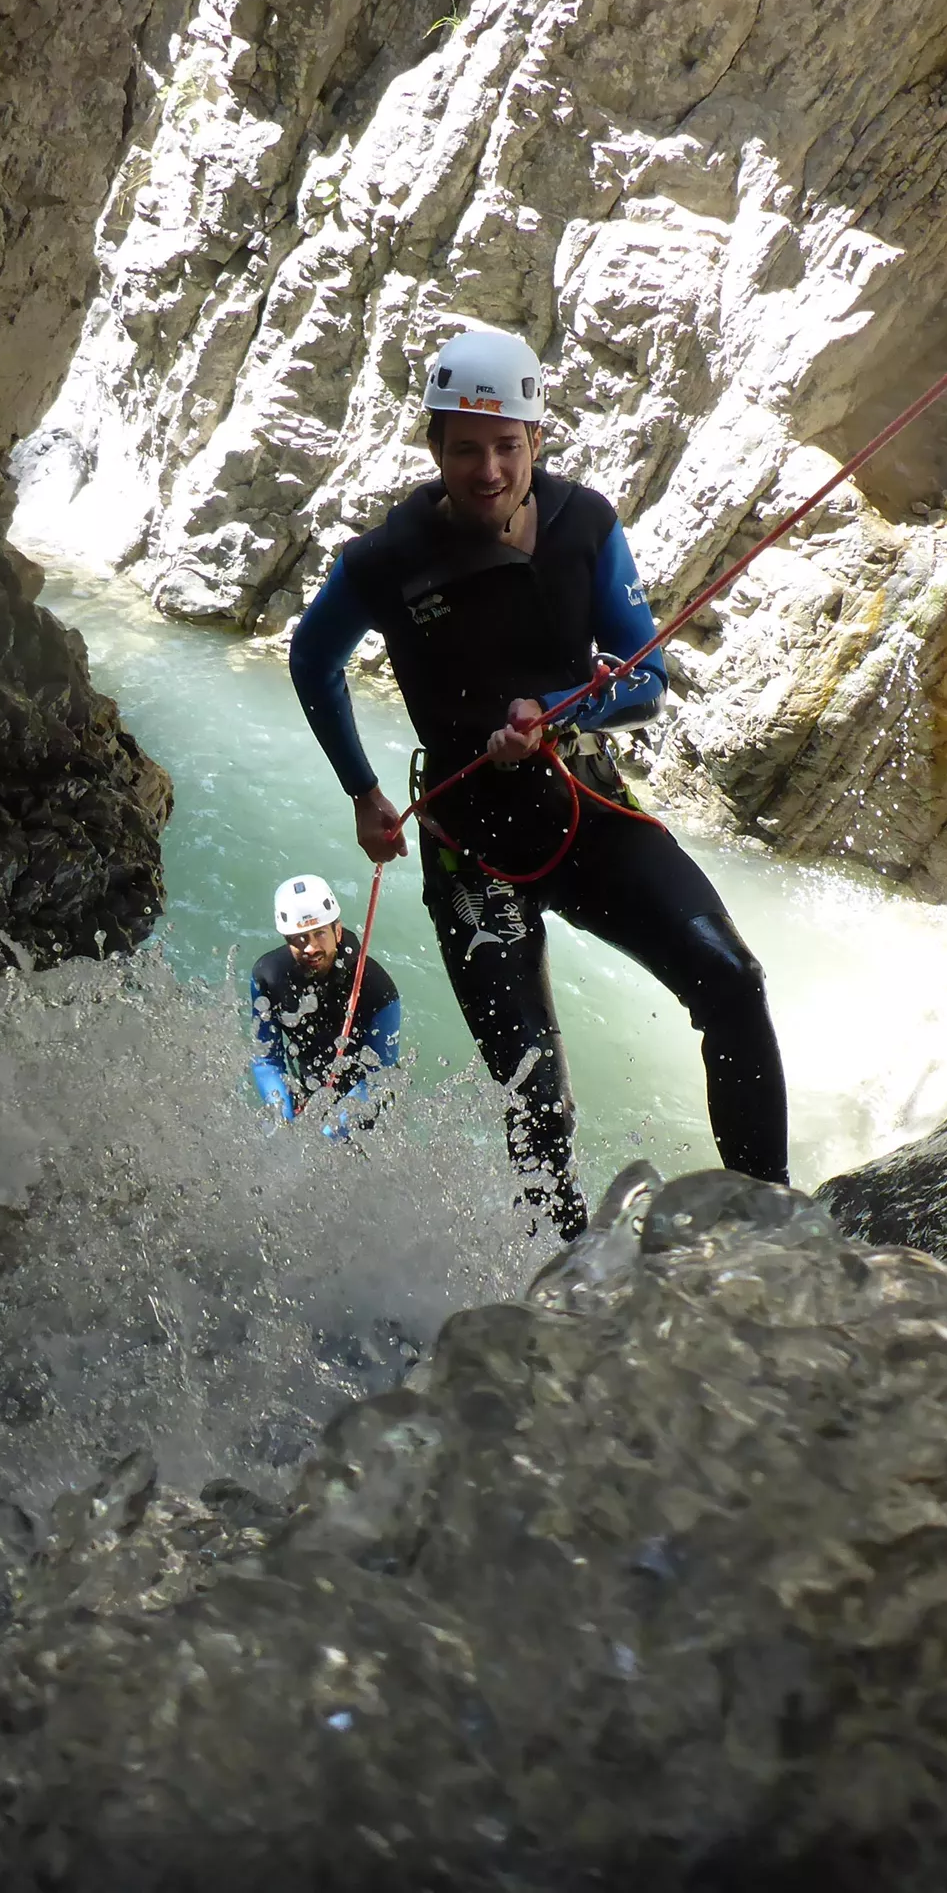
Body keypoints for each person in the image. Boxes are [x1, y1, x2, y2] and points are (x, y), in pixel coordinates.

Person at [288, 328, 788, 1236]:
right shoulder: (383, 562)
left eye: (507, 446)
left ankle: (770, 1224)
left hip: (584, 809)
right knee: (535, 1097)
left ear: (536, 441)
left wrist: (559, 709)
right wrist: (362, 791)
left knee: (733, 981)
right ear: (435, 448)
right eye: (467, 448)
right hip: (471, 854)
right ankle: (564, 1280)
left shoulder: (583, 526)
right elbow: (313, 660)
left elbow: (643, 682)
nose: (489, 470)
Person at [249, 873, 402, 1131]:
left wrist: (334, 1127)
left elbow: (381, 1077)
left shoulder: (377, 988)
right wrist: (283, 1117)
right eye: (299, 938)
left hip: (364, 1100)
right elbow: (267, 1059)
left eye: (319, 934)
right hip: (310, 1093)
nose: (310, 948)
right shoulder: (268, 977)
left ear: (337, 931)